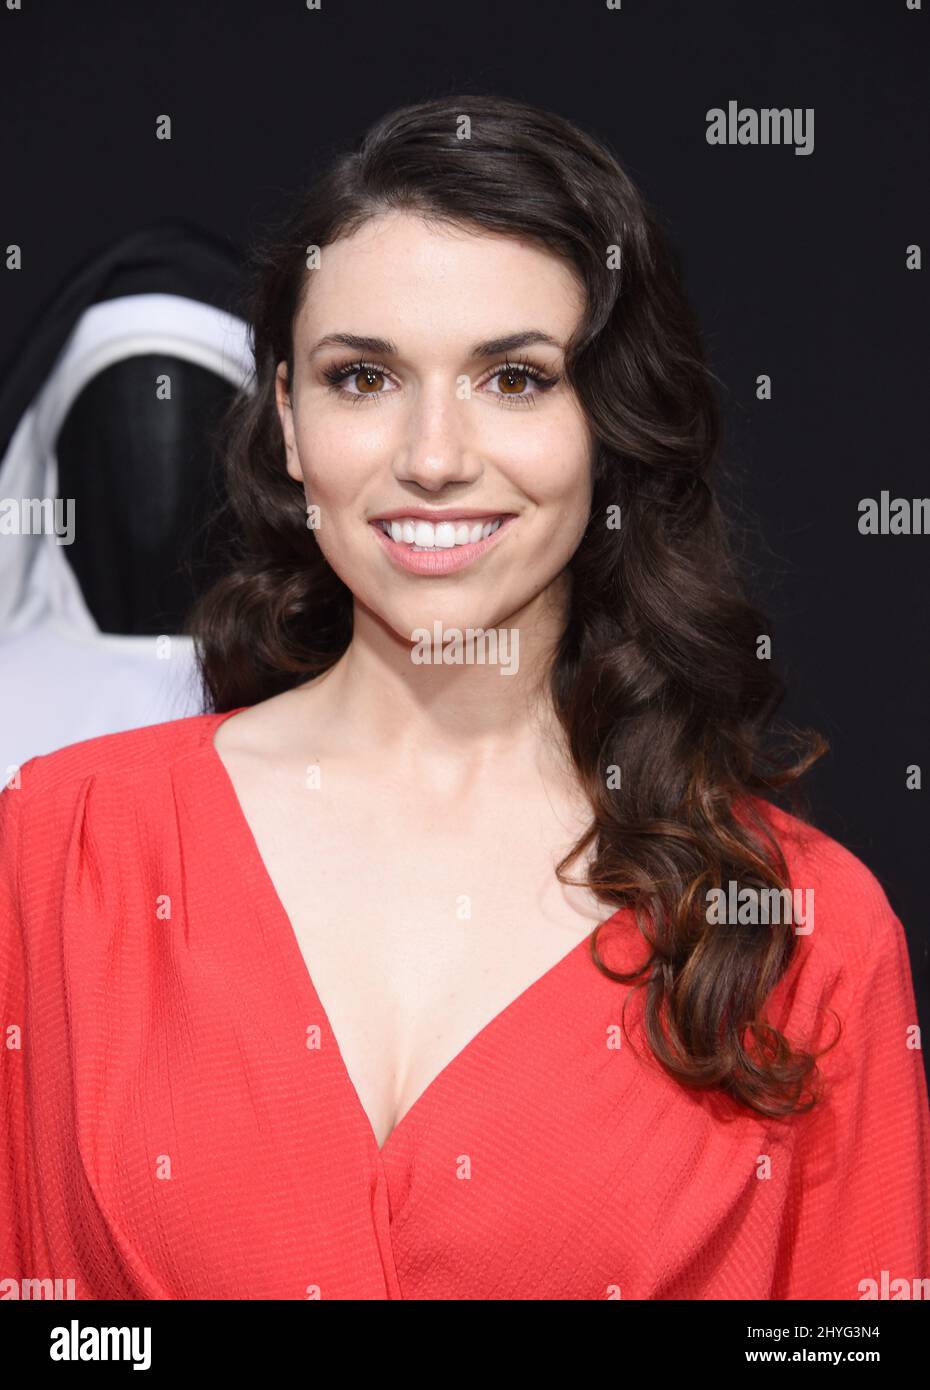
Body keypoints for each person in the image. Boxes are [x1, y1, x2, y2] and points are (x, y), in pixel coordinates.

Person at [2, 93, 928, 1301]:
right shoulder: (56, 848)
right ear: (286, 419)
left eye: (514, 378)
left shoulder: (807, 932)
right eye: (365, 376)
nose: (434, 454)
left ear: (610, 422)